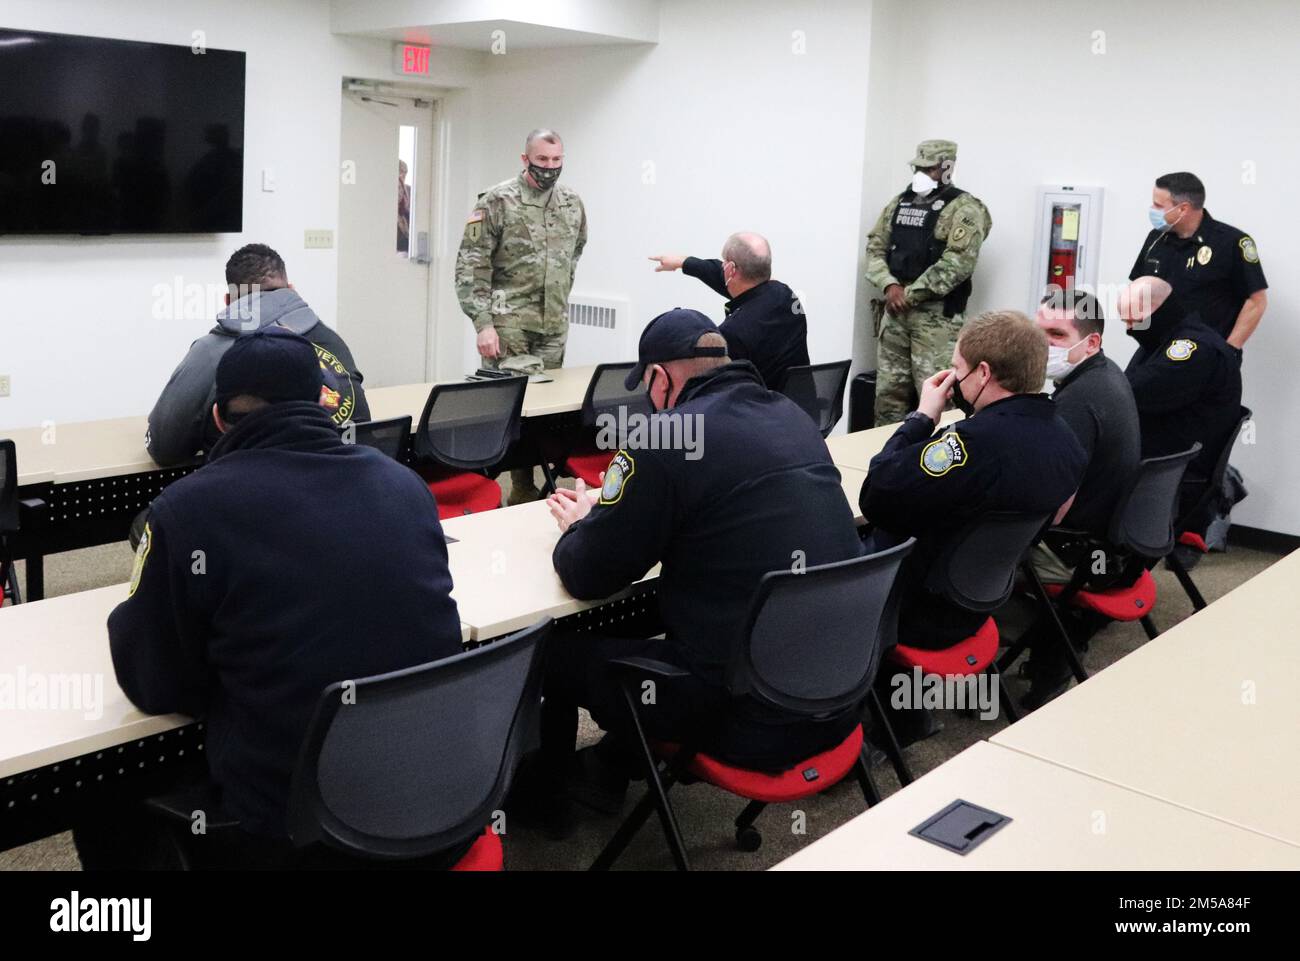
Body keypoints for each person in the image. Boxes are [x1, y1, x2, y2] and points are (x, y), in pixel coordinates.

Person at [81, 328, 463, 869]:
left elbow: (154, 683)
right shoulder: (403, 485)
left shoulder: (188, 510)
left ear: (217, 418)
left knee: (99, 786)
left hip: (292, 832)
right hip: (434, 800)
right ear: (321, 404)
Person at [532, 308, 863, 832]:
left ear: (661, 379)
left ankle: (550, 801)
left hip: (745, 719)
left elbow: (587, 575)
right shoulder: (790, 414)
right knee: (653, 616)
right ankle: (618, 763)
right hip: (836, 695)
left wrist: (582, 525)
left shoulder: (666, 437)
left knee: (549, 646)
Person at [858, 310, 1086, 657]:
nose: (954, 379)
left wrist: (921, 419)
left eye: (957, 369)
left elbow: (874, 496)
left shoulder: (969, 445)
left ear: (983, 373)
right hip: (981, 603)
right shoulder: (1068, 443)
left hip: (913, 611)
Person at [455, 128, 588, 504]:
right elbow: (471, 266)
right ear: (525, 158)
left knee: (548, 407)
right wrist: (482, 323)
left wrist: (558, 296)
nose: (550, 167)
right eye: (542, 159)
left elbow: (574, 252)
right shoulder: (496, 201)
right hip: (506, 322)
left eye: (556, 160)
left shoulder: (572, 202)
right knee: (512, 406)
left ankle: (539, 479)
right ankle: (518, 485)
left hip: (553, 321)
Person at [146, 243, 369, 467]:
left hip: (252, 491)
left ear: (228, 301)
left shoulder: (212, 351)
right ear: (291, 289)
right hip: (347, 486)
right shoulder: (332, 340)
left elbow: (164, 447)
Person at [865, 139, 992, 425]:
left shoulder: (966, 208)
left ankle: (937, 463)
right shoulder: (900, 203)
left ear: (948, 168)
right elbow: (874, 248)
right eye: (919, 168)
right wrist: (889, 285)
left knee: (940, 397)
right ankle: (885, 458)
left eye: (931, 168)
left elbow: (957, 264)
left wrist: (910, 294)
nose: (922, 174)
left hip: (937, 321)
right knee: (888, 398)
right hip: (896, 314)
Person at [1031, 287, 1141, 583]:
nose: (1041, 344)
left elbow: (1053, 509)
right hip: (1113, 545)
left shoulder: (1078, 402)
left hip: (1077, 554)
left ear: (1091, 343)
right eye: (1036, 332)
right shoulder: (1106, 372)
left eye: (1056, 334)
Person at [1120, 276, 1243, 531]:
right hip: (1162, 456)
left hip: (1168, 466)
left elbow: (1131, 393)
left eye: (1133, 320)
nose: (1129, 329)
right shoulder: (1162, 340)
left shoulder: (1192, 349)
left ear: (1159, 309)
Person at [1130, 171, 1267, 355]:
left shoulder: (1231, 242)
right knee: (1130, 383)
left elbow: (1257, 301)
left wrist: (1229, 350)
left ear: (1183, 209)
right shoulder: (1156, 237)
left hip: (1205, 355)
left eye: (1158, 205)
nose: (1152, 209)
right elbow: (1139, 287)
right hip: (1156, 351)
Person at [648, 232, 809, 388]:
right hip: (802, 409)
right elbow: (723, 277)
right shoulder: (786, 296)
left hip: (761, 412)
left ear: (731, 269)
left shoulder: (733, 333)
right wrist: (683, 262)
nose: (722, 266)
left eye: (725, 262)